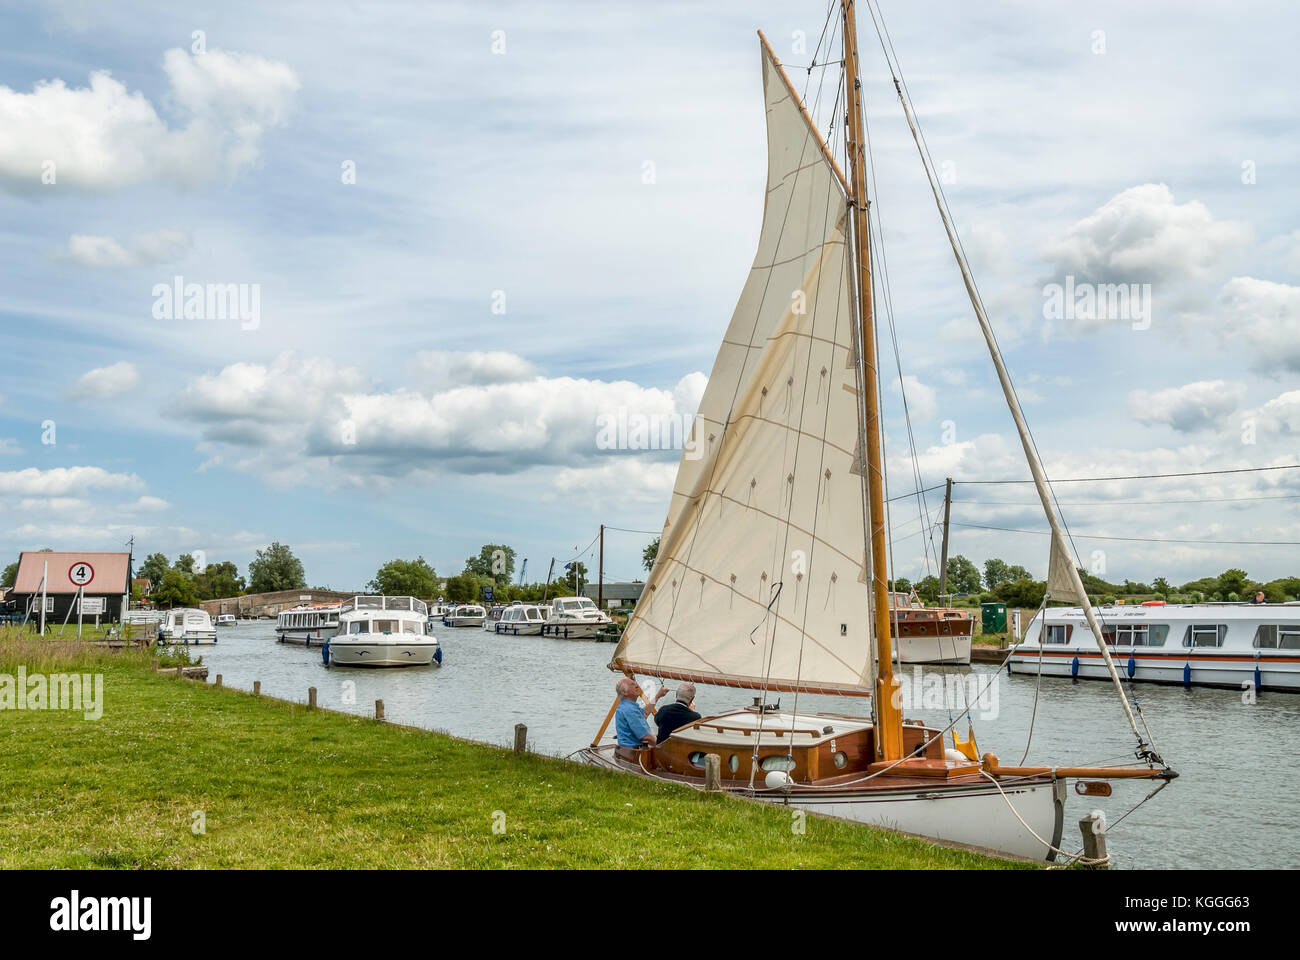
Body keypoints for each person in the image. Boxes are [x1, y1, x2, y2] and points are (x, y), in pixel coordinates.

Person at [614, 677, 668, 748]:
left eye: (635, 683)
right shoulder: (630, 710)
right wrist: (663, 748)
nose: (637, 686)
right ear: (624, 692)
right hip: (635, 753)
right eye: (632, 684)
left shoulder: (625, 706)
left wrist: (658, 696)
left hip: (626, 750)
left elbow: (644, 713)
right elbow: (645, 736)